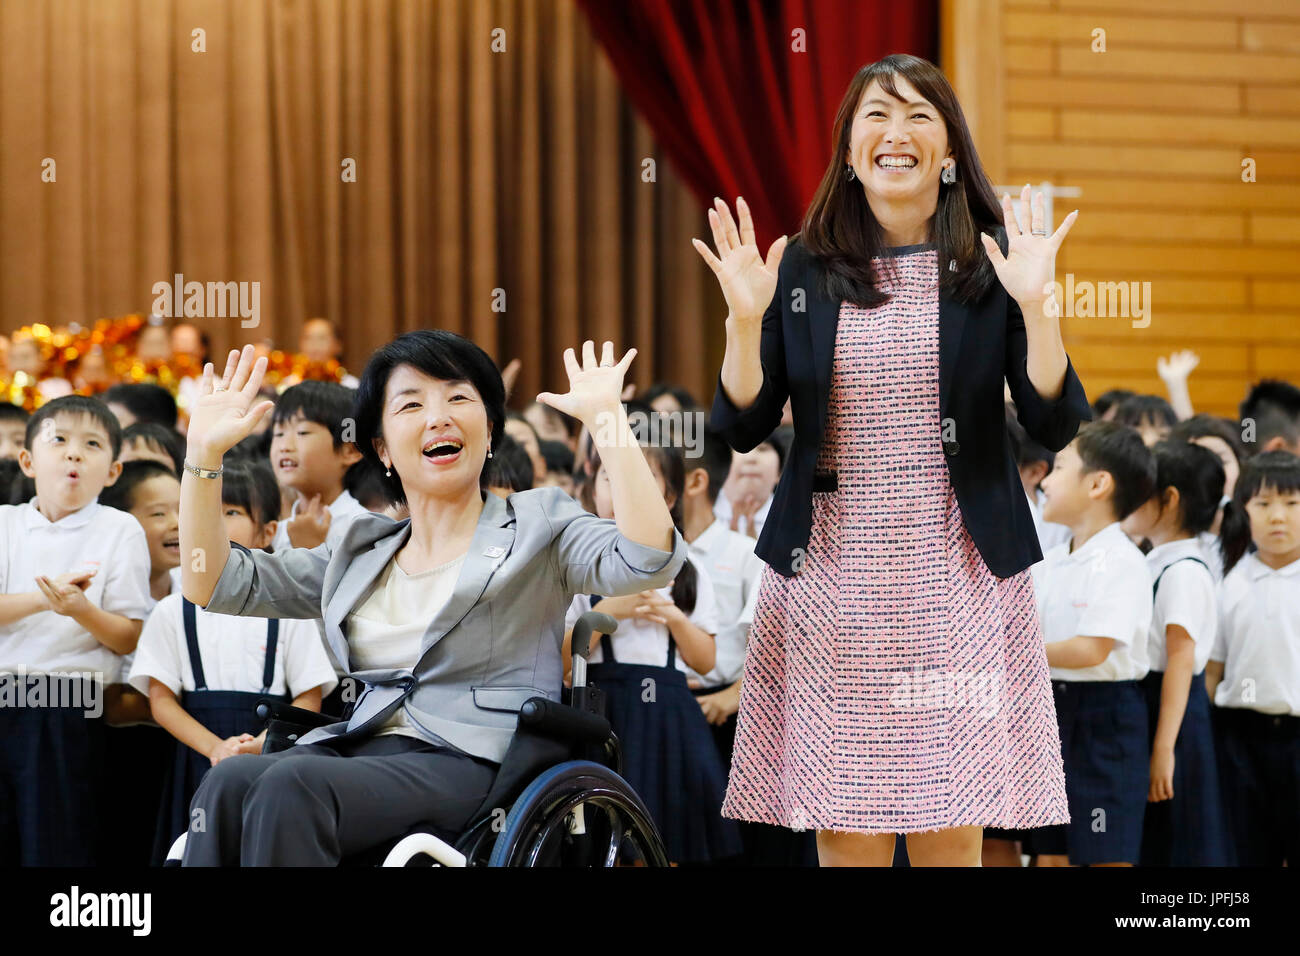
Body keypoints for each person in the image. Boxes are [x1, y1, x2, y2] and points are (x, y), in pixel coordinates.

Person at [695, 53, 1091, 866]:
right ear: (849, 152)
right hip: (834, 570)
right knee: (848, 823)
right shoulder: (801, 267)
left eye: (919, 114)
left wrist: (1039, 307)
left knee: (953, 820)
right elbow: (743, 421)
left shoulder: (993, 263)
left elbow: (1051, 420)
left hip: (961, 566)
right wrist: (743, 322)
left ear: (949, 151)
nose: (896, 132)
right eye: (876, 114)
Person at [177, 335, 685, 865]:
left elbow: (651, 557)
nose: (438, 416)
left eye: (459, 398)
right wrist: (203, 454)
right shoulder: (359, 549)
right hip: (362, 753)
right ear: (382, 449)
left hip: (482, 764)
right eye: (412, 404)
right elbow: (210, 583)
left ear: (489, 430)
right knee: (230, 781)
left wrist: (607, 420)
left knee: (292, 784)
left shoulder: (541, 527)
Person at [131, 456, 335, 864]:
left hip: (270, 759)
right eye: (204, 511)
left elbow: (310, 695)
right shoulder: (173, 610)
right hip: (195, 756)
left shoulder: (289, 612)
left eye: (230, 511)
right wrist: (215, 748)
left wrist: (263, 745)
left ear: (267, 532)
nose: (213, 522)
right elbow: (161, 700)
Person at [564, 435, 740, 864]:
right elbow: (568, 661)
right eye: (612, 475)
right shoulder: (576, 563)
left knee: (673, 831)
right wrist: (611, 609)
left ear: (671, 493)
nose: (623, 489)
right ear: (594, 484)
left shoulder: (687, 567)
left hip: (669, 714)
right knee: (607, 838)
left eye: (640, 478)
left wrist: (676, 619)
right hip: (603, 712)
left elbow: (706, 660)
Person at [0, 395, 153, 865]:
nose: (73, 453)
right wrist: (50, 598)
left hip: (73, 700)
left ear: (112, 472)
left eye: (91, 444)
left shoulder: (119, 529)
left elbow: (129, 635)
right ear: (27, 460)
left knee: (57, 839)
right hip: (4, 691)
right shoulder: (5, 524)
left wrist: (81, 609)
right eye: (58, 440)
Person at [1032, 423, 1156, 867]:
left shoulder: (1121, 560)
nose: (1045, 479)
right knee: (1051, 855)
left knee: (1105, 852)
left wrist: (1007, 654)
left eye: (1060, 466)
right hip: (1050, 711)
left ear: (1099, 484)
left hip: (1106, 718)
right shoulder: (1049, 560)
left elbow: (1090, 651)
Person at [1119, 440, 1229, 866]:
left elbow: (1181, 662)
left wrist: (1164, 749)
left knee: (1179, 839)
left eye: (1141, 488)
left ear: (1169, 498)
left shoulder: (1183, 571)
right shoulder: (1157, 559)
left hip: (1173, 712)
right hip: (1157, 705)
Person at [1208, 450, 1300, 866]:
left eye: (1292, 503)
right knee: (1246, 851)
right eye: (1263, 504)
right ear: (1243, 509)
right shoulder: (1229, 580)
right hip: (1240, 738)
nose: (1278, 517)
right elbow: (1213, 668)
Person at [267, 380, 368, 552]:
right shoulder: (275, 533)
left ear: (349, 451)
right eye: (279, 433)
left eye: (302, 432)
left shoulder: (363, 527)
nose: (284, 446)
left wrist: (310, 550)